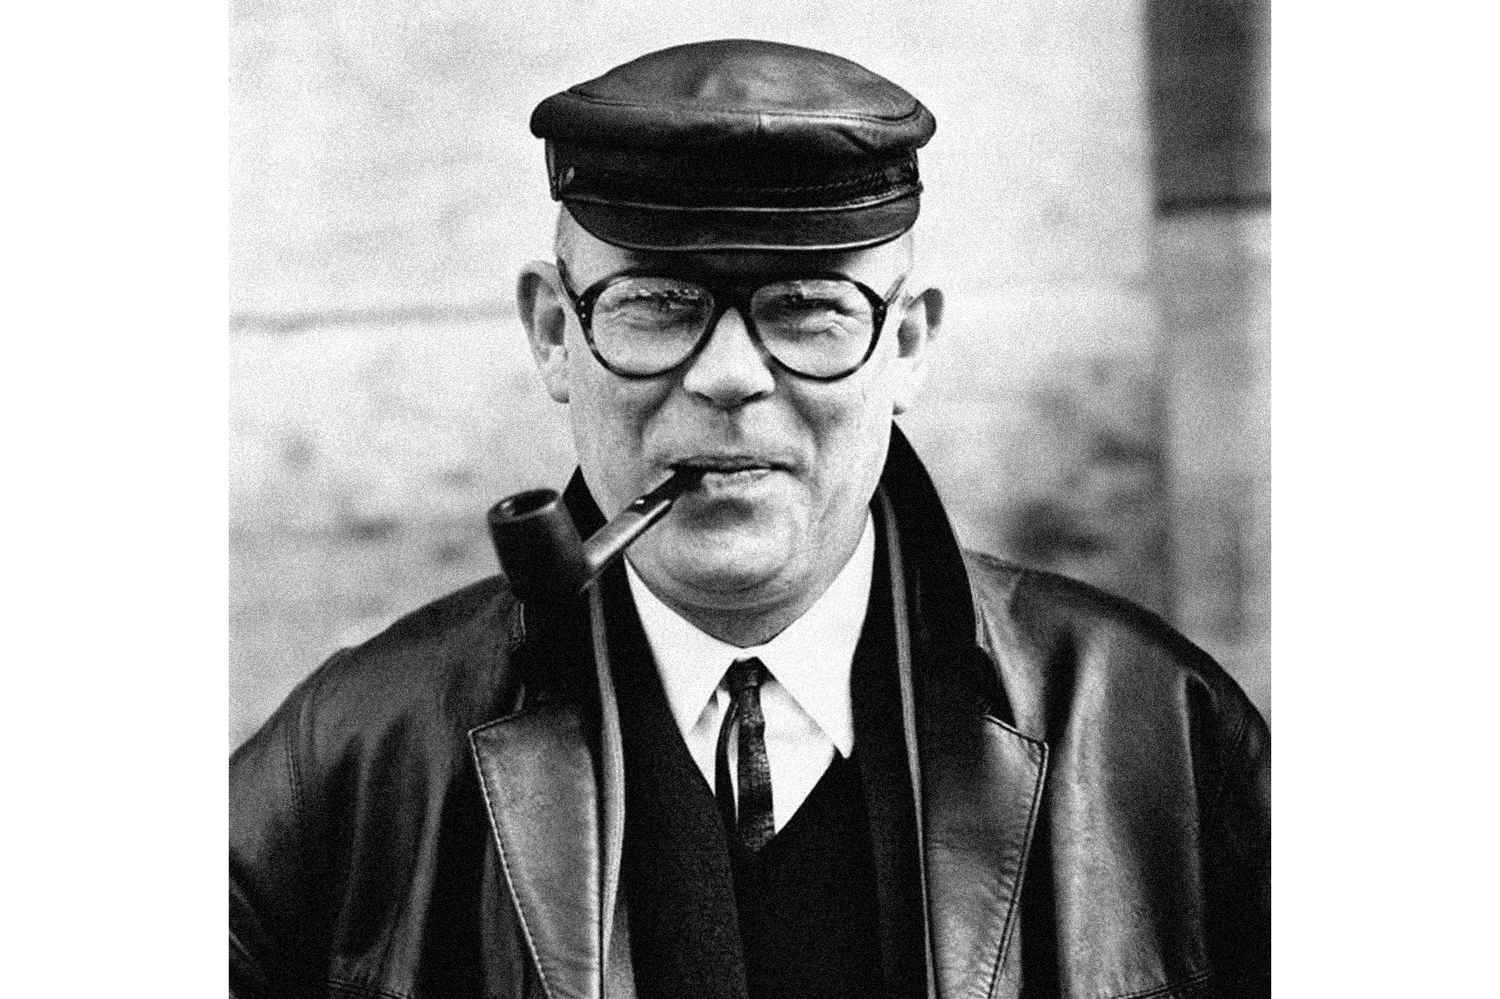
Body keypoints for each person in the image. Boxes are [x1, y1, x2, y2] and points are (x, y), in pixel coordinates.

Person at [230, 39, 1270, 999]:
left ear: (908, 344)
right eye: (657, 303)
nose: (729, 377)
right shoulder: (356, 759)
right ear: (553, 332)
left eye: (808, 307)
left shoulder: (1160, 736)